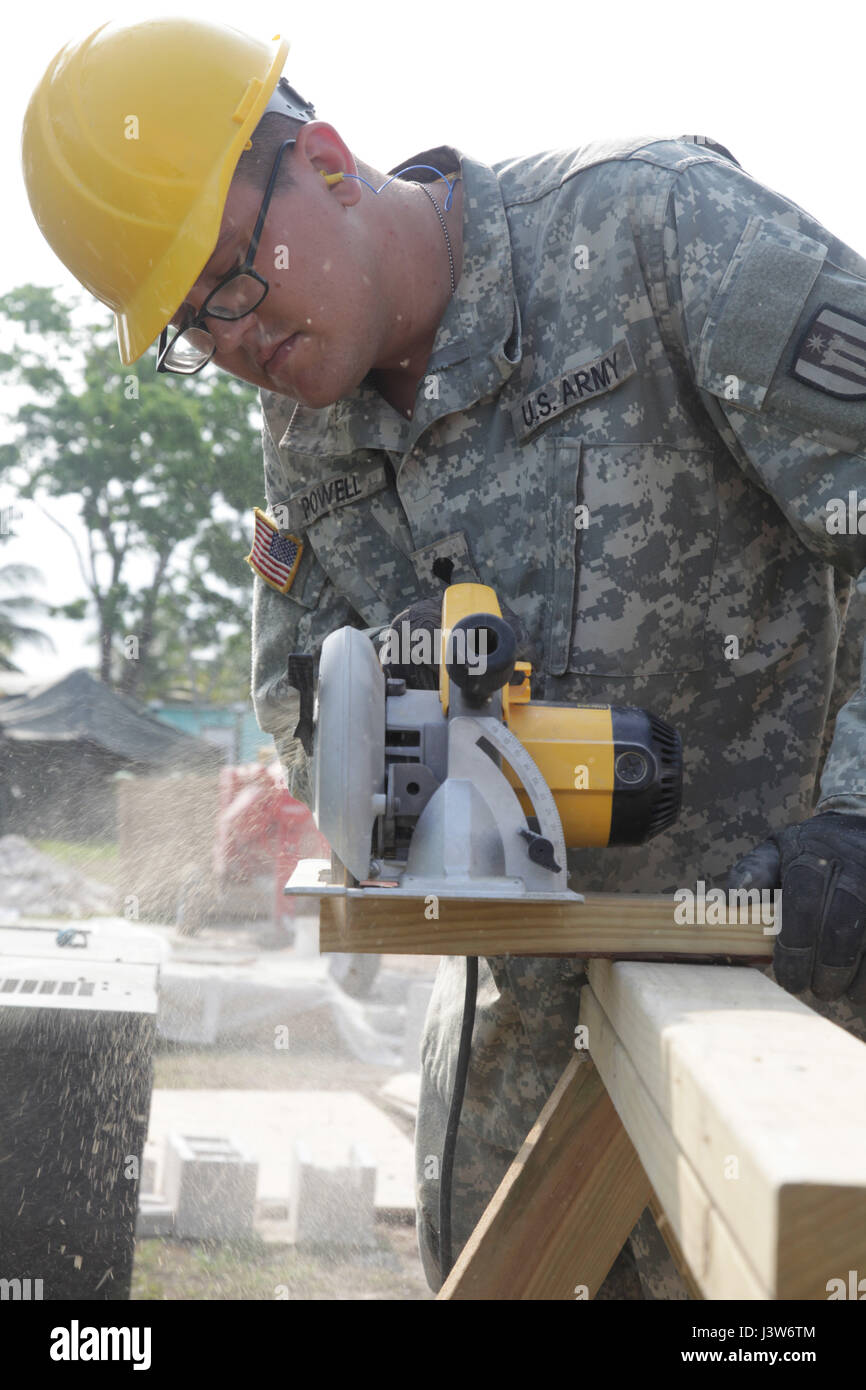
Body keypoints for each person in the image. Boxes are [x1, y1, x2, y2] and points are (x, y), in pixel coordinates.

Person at [22, 17, 866, 1299]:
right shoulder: (305, 421)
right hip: (514, 1089)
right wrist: (379, 764)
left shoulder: (658, 237)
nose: (238, 342)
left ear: (327, 159)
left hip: (778, 1053)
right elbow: (293, 688)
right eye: (192, 328)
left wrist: (856, 828)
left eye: (231, 282)